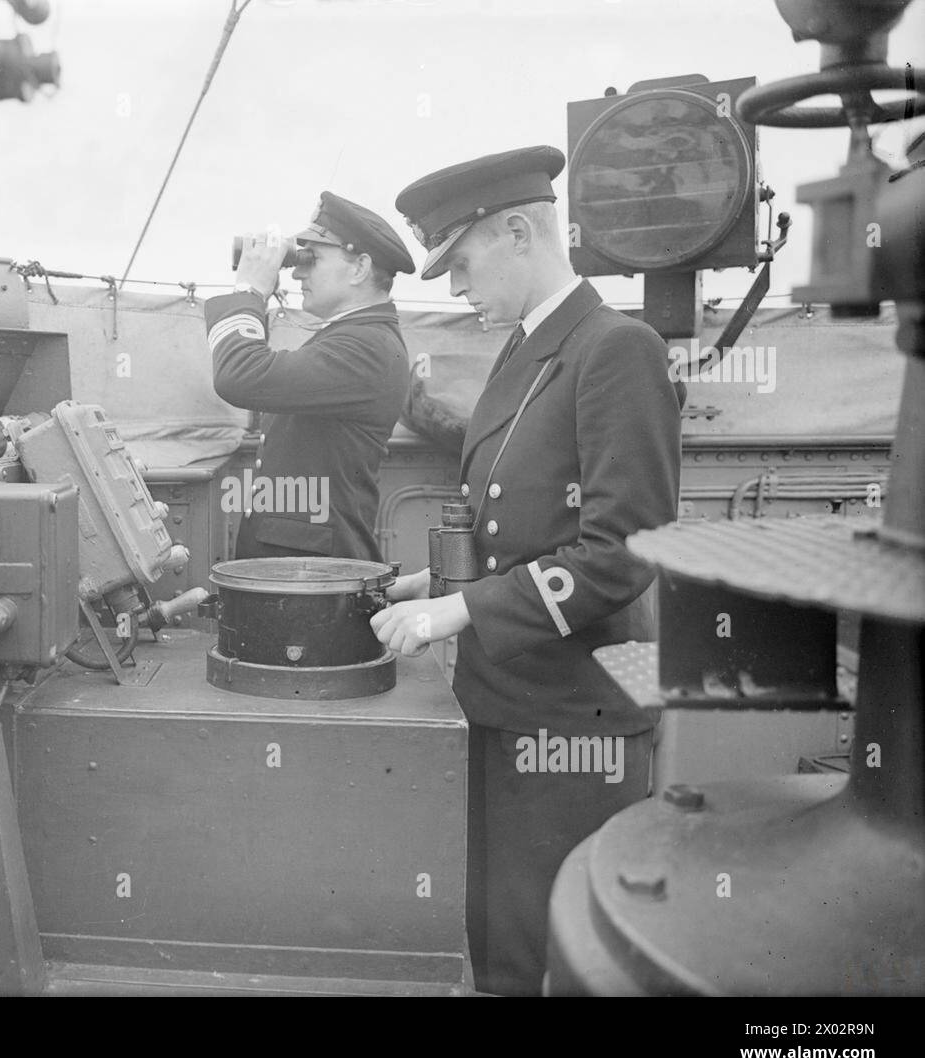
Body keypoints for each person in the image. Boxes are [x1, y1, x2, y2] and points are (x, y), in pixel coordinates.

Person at [372, 146, 683, 995]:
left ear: (517, 231)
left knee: (562, 957)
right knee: (503, 944)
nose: (454, 285)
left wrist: (463, 612)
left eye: (461, 262)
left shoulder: (616, 348)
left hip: (573, 716)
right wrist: (431, 585)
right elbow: (516, 514)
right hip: (508, 697)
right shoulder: (527, 348)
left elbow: (623, 548)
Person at [205, 192, 415, 562]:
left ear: (359, 268)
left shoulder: (367, 348)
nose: (297, 271)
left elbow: (239, 376)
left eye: (310, 259)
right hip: (299, 566)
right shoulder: (353, 338)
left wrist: (250, 291)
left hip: (313, 575)